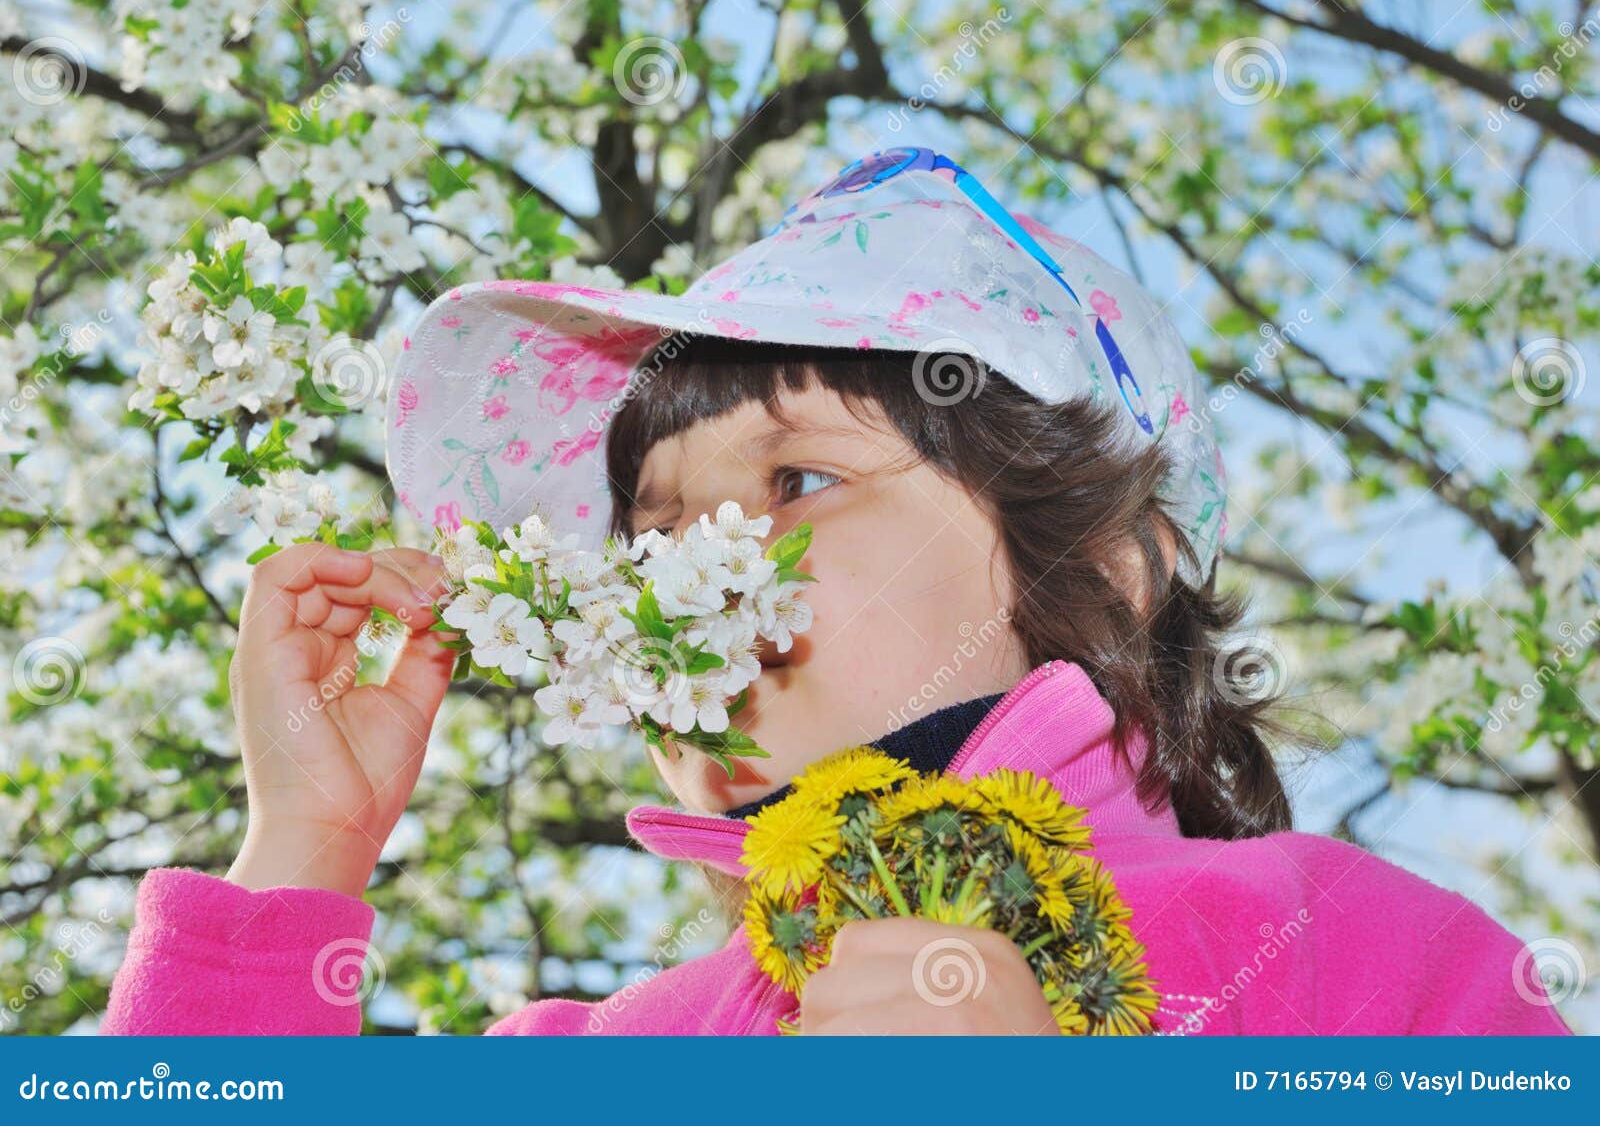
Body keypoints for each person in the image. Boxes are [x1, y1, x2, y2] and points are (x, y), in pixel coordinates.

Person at [101, 147, 1574, 1035]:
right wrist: (300, 854)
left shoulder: (1335, 944)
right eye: (656, 528)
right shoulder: (587, 1045)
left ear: (1109, 568)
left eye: (797, 483)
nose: (695, 566)